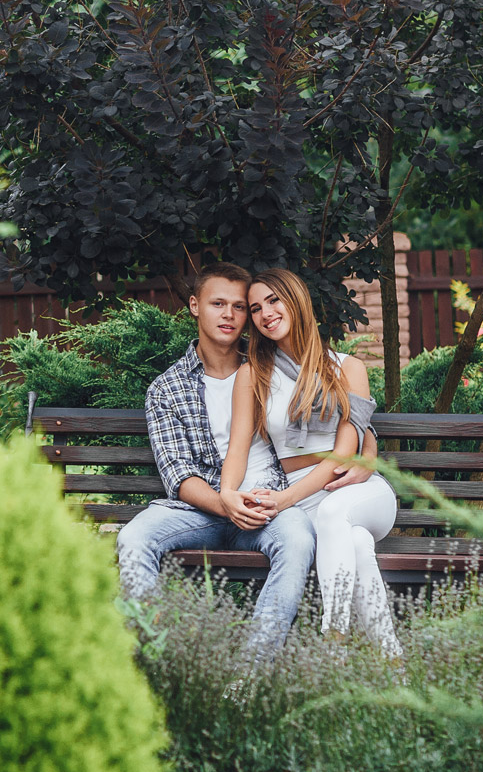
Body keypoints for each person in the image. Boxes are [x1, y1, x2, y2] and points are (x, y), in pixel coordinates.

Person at [115, 262, 316, 655]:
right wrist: (224, 502)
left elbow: (337, 412)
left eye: (240, 307)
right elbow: (178, 474)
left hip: (266, 503)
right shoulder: (167, 388)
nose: (229, 315)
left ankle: (248, 677)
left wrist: (368, 439)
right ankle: (158, 662)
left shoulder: (272, 368)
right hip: (199, 511)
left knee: (297, 538)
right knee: (134, 537)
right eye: (217, 304)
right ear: (194, 306)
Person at [220, 268, 402, 656]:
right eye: (255, 308)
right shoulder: (254, 374)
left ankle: (332, 641)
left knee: (337, 511)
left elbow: (343, 454)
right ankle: (393, 663)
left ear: (297, 300)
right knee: (356, 544)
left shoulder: (347, 368)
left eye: (273, 300)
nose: (265, 313)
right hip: (306, 498)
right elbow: (237, 448)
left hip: (357, 491)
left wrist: (283, 500)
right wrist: (227, 494)